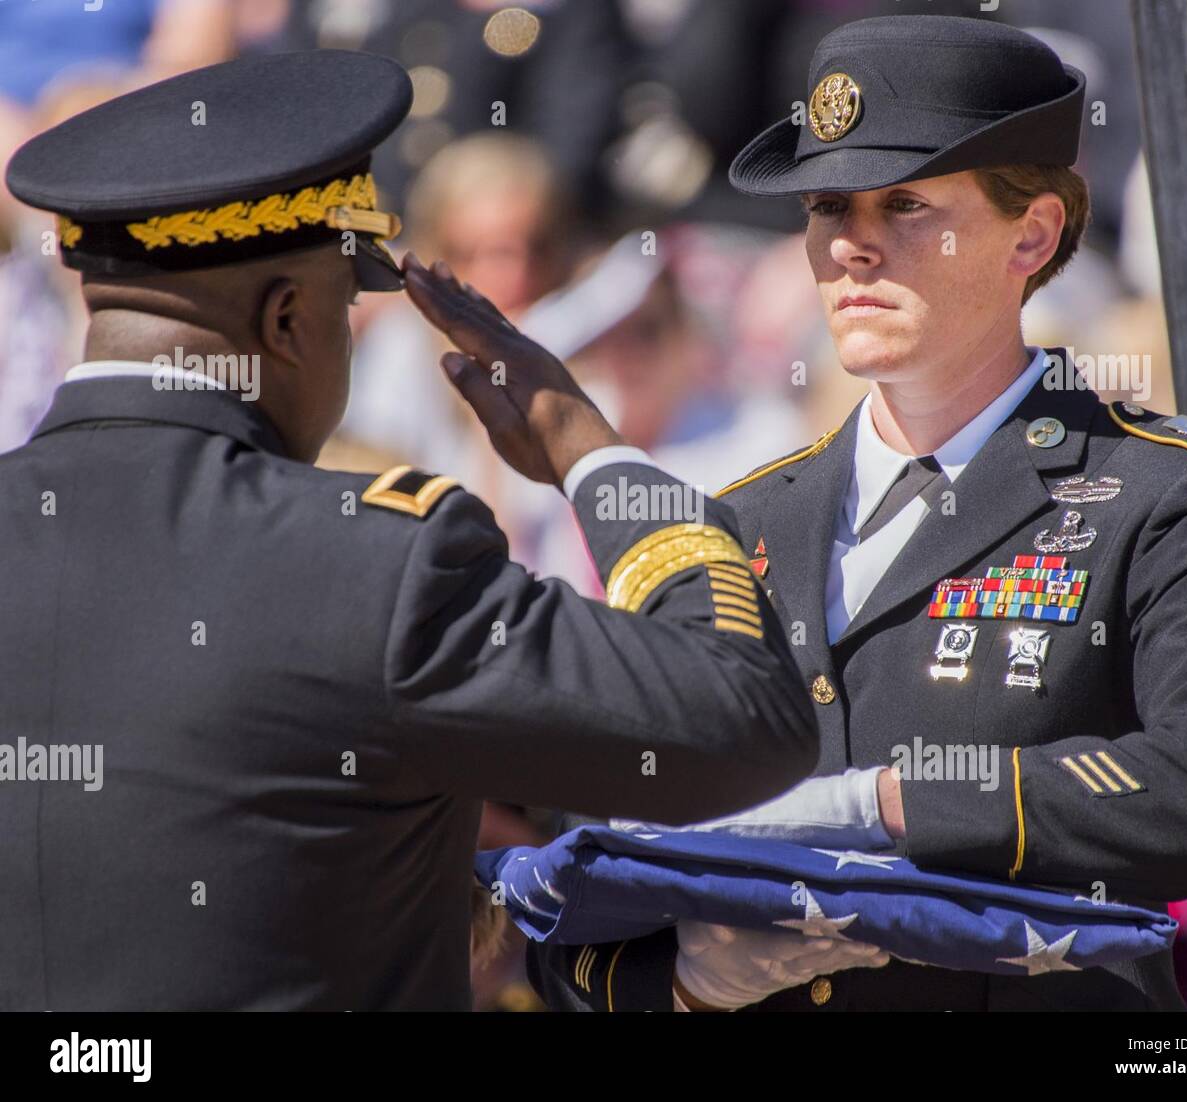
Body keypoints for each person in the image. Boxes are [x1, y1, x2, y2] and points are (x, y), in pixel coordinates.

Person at [0, 50, 819, 1010]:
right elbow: (741, 718)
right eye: (348, 306)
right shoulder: (375, 562)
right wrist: (593, 455)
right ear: (291, 318)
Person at [522, 15, 1187, 1011]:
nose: (850, 245)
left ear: (1033, 232)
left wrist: (885, 806)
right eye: (827, 204)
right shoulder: (739, 522)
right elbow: (571, 876)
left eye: (904, 204)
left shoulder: (1168, 490)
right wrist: (680, 979)